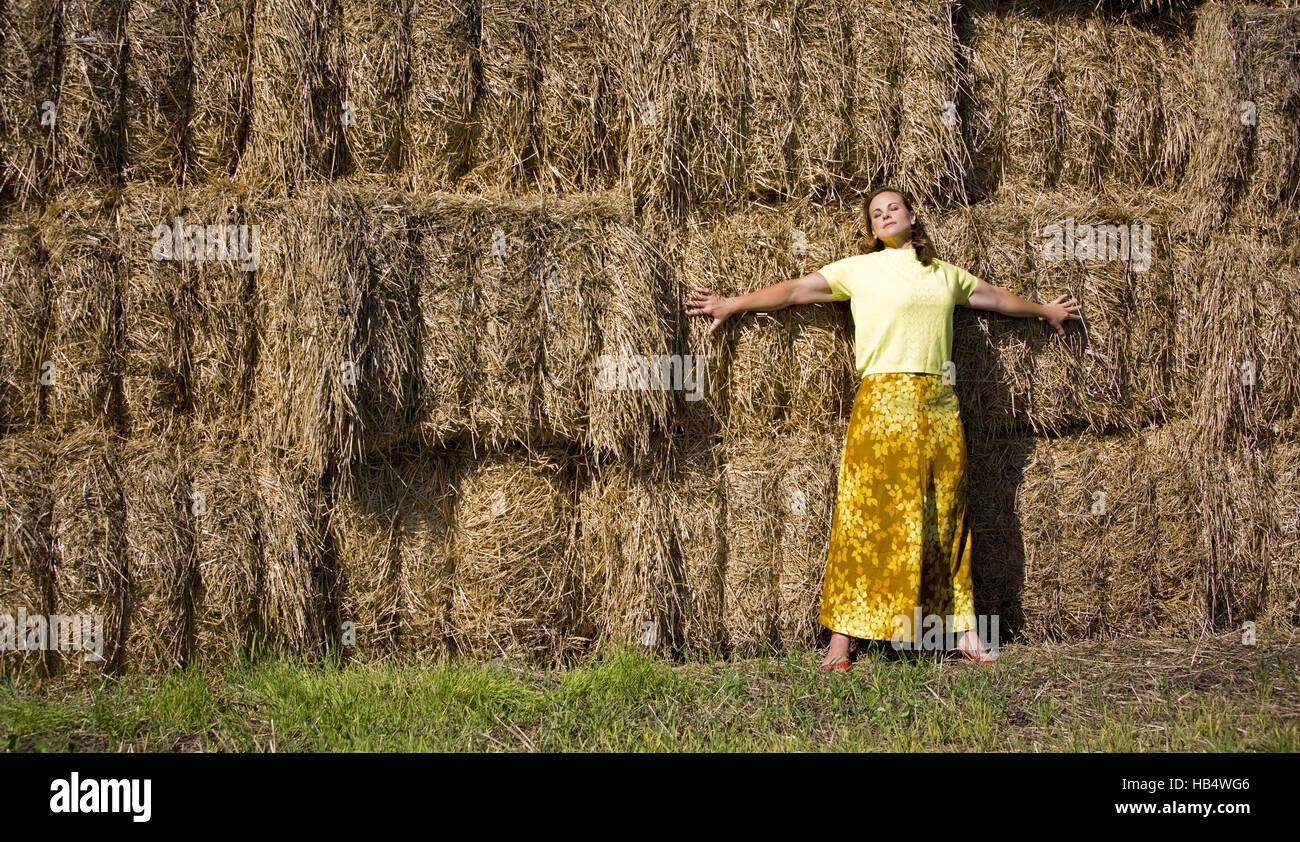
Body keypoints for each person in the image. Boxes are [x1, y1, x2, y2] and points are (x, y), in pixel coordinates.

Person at [684, 186, 1081, 670]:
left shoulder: (943, 275)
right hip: (880, 405)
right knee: (862, 518)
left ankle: (962, 632)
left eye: (893, 207)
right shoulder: (859, 270)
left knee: (946, 516)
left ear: (912, 217)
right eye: (877, 213)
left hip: (937, 405)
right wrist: (730, 304)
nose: (886, 215)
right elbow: (791, 291)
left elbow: (996, 299)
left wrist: (1046, 311)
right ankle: (841, 641)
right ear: (872, 230)